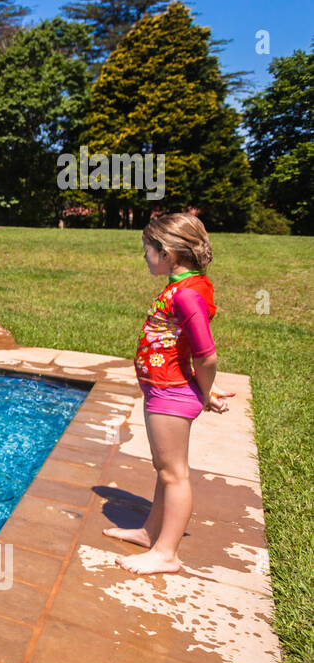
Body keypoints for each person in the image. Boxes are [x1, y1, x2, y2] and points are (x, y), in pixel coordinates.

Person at [103, 213, 235, 575]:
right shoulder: (184, 284)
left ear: (167, 252)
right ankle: (150, 533)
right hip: (167, 387)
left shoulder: (188, 294)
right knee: (163, 470)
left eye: (146, 250)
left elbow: (206, 353)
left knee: (174, 473)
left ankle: (166, 554)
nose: (144, 256)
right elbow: (183, 346)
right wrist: (198, 384)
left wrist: (204, 390)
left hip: (171, 393)